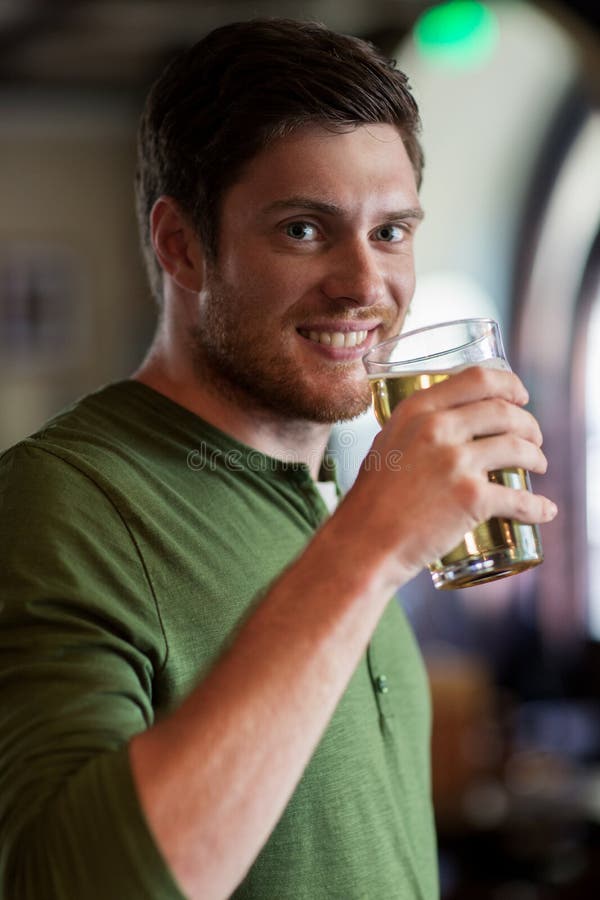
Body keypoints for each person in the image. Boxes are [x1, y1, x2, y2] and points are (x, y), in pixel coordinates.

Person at [0, 18, 556, 900]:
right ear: (181, 244)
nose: (366, 285)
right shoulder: (63, 498)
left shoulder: (327, 501)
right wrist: (371, 550)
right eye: (304, 230)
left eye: (392, 232)